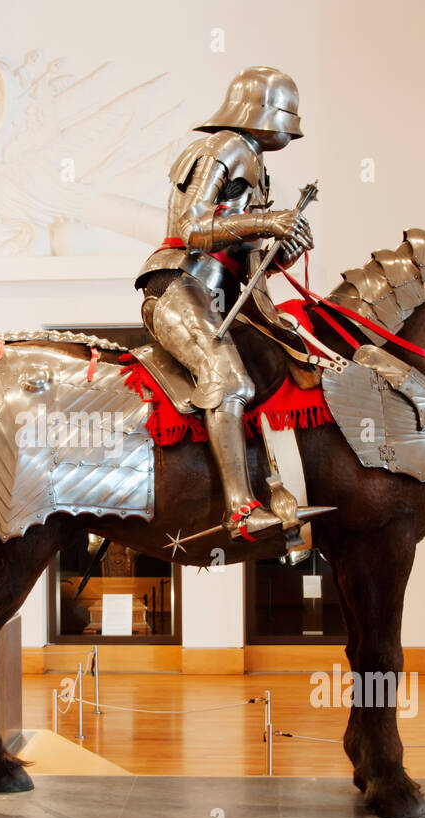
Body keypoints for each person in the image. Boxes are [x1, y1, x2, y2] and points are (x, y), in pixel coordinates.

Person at [135, 66, 315, 544]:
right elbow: (192, 229)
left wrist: (281, 247)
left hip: (217, 295)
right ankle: (238, 509)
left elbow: (242, 255)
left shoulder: (253, 160)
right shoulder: (221, 148)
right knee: (228, 377)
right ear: (260, 111)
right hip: (180, 285)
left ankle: (278, 489)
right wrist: (266, 222)